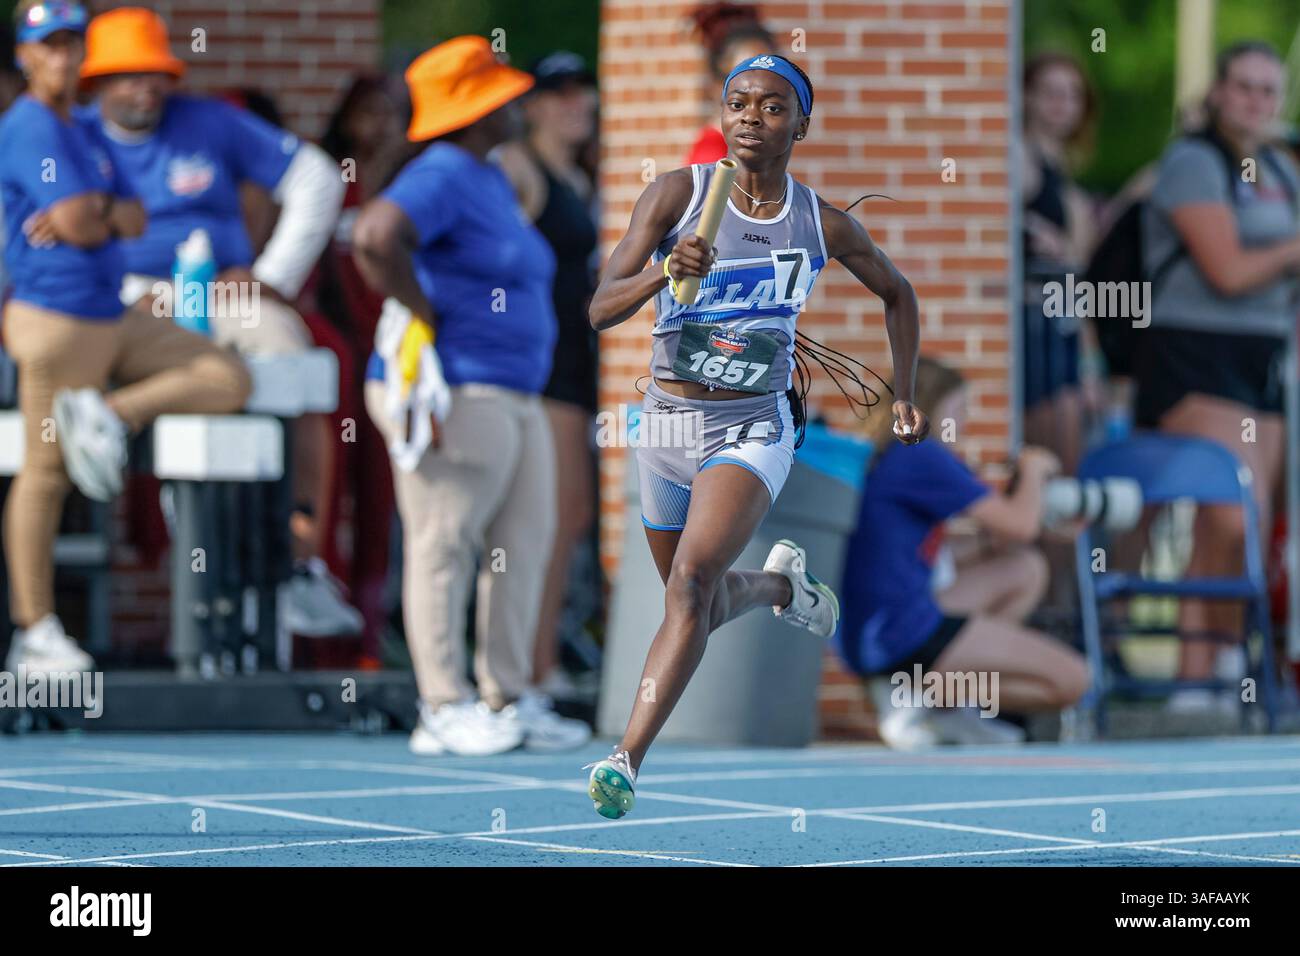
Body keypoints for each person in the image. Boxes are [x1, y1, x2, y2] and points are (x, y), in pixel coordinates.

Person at [586, 53, 927, 818]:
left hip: (752, 424)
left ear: (800, 124)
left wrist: (903, 396)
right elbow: (600, 309)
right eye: (738, 103)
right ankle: (781, 586)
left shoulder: (821, 223)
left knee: (689, 587)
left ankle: (624, 761)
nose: (751, 117)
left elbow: (898, 294)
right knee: (695, 604)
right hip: (667, 420)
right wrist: (663, 272)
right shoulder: (677, 194)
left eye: (772, 107)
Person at [74, 6, 359, 638]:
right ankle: (186, 570)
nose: (146, 88)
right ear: (96, 83)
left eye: (156, 74)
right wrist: (117, 291)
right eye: (128, 76)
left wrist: (274, 276)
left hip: (224, 291)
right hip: (128, 300)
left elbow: (315, 177)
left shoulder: (208, 120)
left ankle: (299, 555)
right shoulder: (72, 137)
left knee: (298, 357)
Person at [353, 36, 591, 756]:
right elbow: (375, 237)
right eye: (503, 92)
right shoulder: (445, 171)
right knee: (445, 543)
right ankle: (442, 704)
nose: (517, 102)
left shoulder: (483, 174)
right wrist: (423, 310)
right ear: (478, 107)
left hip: (513, 390)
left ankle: (508, 695)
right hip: (459, 386)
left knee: (521, 546)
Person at [0, 0, 250, 674]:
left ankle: (108, 413)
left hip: (110, 312)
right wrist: (97, 214)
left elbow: (130, 214)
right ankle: (35, 629)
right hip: (56, 318)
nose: (62, 58)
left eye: (71, 44)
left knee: (226, 375)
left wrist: (98, 214)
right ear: (23, 55)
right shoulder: (29, 126)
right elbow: (84, 222)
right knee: (45, 473)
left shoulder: (77, 126)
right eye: (47, 46)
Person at [1135, 41, 1300, 709]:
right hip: (1193, 355)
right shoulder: (1192, 162)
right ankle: (1192, 675)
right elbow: (1227, 272)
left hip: (1262, 358)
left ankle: (1220, 666)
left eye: (1269, 90)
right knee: (1234, 510)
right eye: (1243, 87)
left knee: (1246, 527)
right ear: (1218, 93)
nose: (1256, 102)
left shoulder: (1283, 172)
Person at [837, 357, 1091, 749]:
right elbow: (1019, 524)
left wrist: (1040, 521)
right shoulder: (920, 453)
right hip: (898, 633)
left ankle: (944, 708)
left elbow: (964, 547)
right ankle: (925, 695)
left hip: (874, 628)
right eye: (958, 410)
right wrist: (1034, 469)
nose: (965, 423)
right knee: (1073, 680)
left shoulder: (891, 454)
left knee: (1023, 569)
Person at [495, 51, 601, 697]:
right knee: (549, 518)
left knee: (571, 517)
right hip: (538, 370)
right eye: (557, 91)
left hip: (576, 367)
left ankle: (534, 663)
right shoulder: (517, 169)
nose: (574, 102)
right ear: (529, 105)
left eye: (581, 88)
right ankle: (526, 671)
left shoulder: (583, 178)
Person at [317, 74, 406, 664]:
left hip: (396, 360)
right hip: (338, 357)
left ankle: (367, 644)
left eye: (389, 115)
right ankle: (319, 644)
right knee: (328, 496)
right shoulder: (331, 183)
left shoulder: (409, 186)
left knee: (382, 501)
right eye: (367, 114)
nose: (378, 128)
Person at [1019, 52, 1101, 477]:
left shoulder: (1060, 168)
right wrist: (1028, 224)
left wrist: (1089, 364)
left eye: (1072, 95)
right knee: (1051, 469)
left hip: (1061, 327)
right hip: (1034, 332)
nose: (1061, 104)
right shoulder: (1019, 156)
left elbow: (1078, 268)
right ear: (1026, 96)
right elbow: (988, 208)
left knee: (1069, 468)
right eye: (1050, 92)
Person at [685, 2, 774, 166]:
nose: (762, 89)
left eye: (771, 75)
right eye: (746, 80)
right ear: (718, 87)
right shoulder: (713, 157)